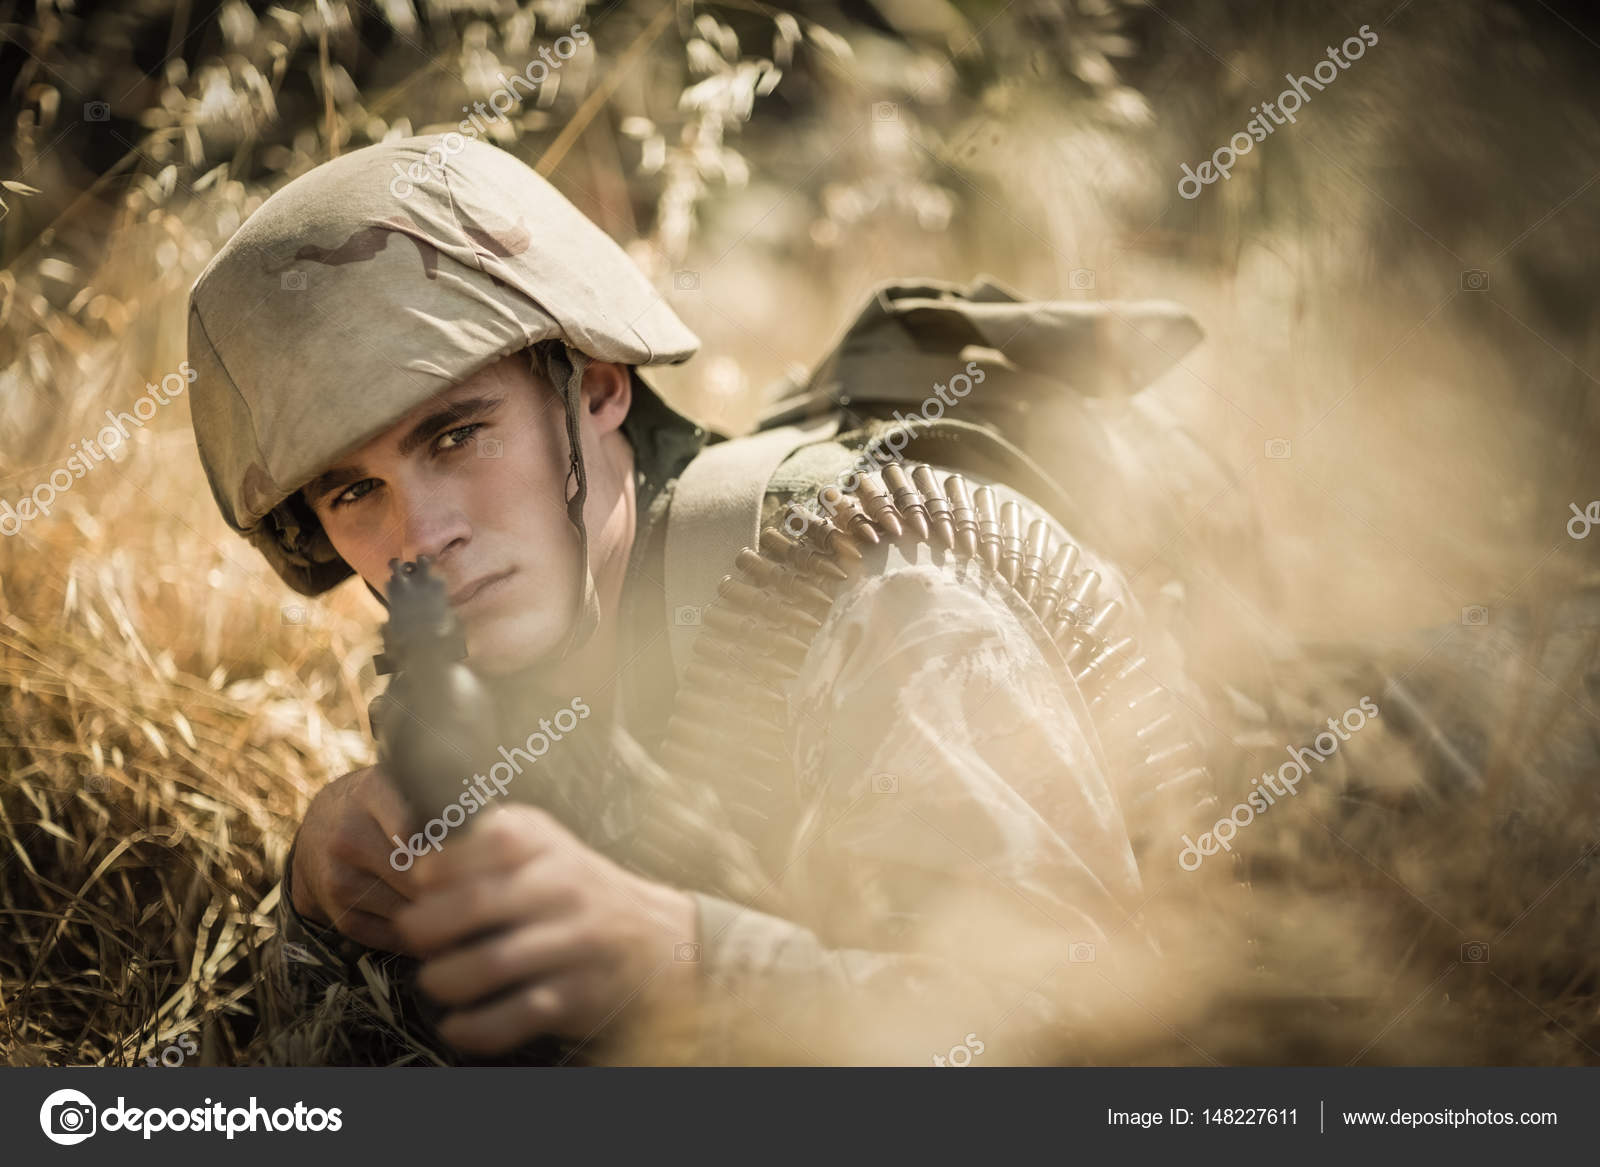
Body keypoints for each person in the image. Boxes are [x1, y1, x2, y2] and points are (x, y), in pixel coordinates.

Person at [186, 135, 1210, 1064]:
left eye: (457, 436)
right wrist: (317, 895)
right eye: (354, 492)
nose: (421, 537)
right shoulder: (494, 677)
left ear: (594, 388)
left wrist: (688, 961)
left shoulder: (881, 598)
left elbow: (1079, 1039)